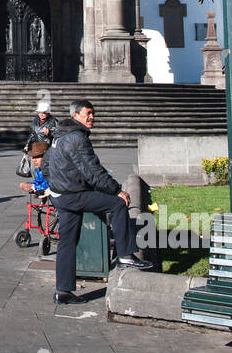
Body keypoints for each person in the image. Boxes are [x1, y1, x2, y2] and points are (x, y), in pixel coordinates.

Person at [42, 100, 152, 305]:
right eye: (88, 114)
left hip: (61, 196)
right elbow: (93, 171)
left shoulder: (60, 135)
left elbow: (45, 165)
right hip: (74, 195)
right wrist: (117, 190)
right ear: (75, 116)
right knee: (118, 204)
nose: (92, 118)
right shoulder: (76, 137)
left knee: (67, 242)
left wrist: (55, 186)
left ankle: (62, 292)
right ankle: (126, 255)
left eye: (93, 114)